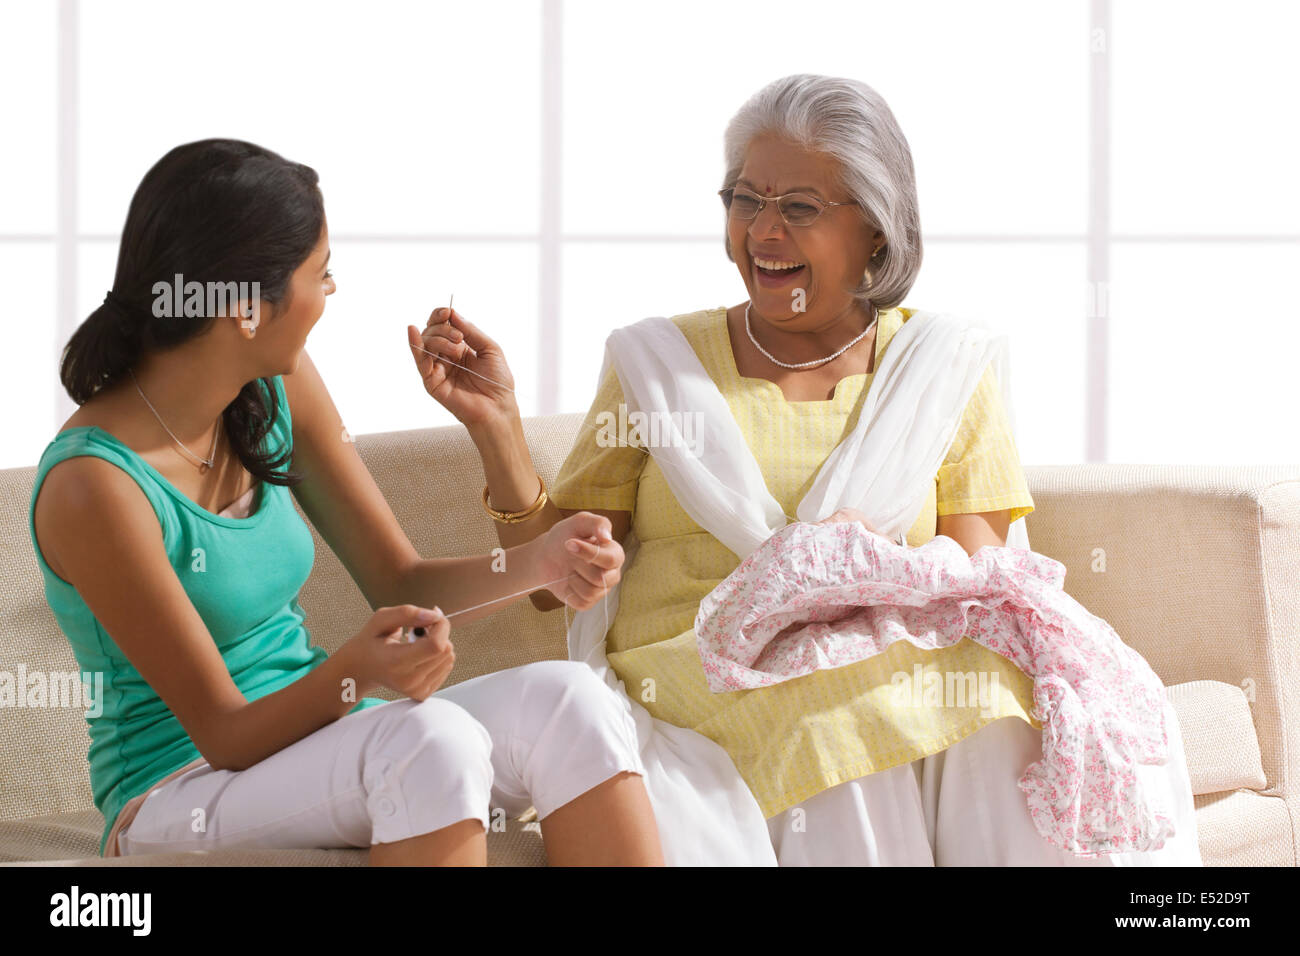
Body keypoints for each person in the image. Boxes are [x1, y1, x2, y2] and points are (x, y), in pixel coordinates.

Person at [409, 74, 1202, 865]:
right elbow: (555, 588)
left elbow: (983, 583)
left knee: (1001, 705)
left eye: (798, 207)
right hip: (701, 675)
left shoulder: (945, 363)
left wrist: (853, 570)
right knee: (834, 715)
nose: (762, 231)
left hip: (884, 660)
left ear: (877, 232)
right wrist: (498, 430)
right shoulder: (657, 363)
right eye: (744, 200)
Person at [29, 138, 663, 866]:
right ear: (244, 307)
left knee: (573, 703)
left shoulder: (275, 385)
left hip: (317, 745)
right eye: (319, 274)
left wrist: (541, 561)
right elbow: (224, 732)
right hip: (177, 788)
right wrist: (359, 672)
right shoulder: (94, 484)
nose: (330, 293)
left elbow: (401, 583)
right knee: (432, 741)